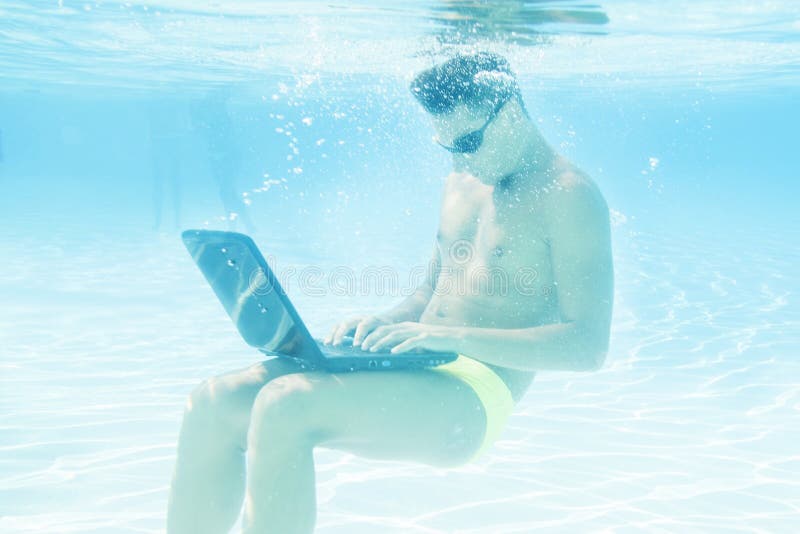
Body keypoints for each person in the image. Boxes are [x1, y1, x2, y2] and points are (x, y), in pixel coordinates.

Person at [166, 52, 613, 534]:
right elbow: (431, 290)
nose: (460, 160)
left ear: (510, 110)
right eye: (447, 147)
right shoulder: (462, 181)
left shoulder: (568, 196)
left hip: (476, 395)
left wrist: (452, 338)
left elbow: (587, 347)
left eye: (467, 141)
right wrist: (385, 323)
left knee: (285, 405)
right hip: (415, 360)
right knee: (213, 403)